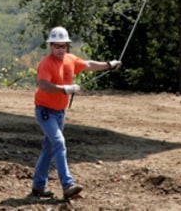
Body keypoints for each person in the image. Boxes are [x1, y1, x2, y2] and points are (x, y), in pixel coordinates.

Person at [30, 26, 121, 200]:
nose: (60, 49)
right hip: (45, 111)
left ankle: (38, 186)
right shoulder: (46, 64)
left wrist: (108, 65)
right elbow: (43, 85)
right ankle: (67, 184)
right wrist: (64, 89)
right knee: (58, 142)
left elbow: (87, 64)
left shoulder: (70, 59)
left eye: (63, 46)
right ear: (51, 46)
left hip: (59, 112)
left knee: (49, 148)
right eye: (57, 46)